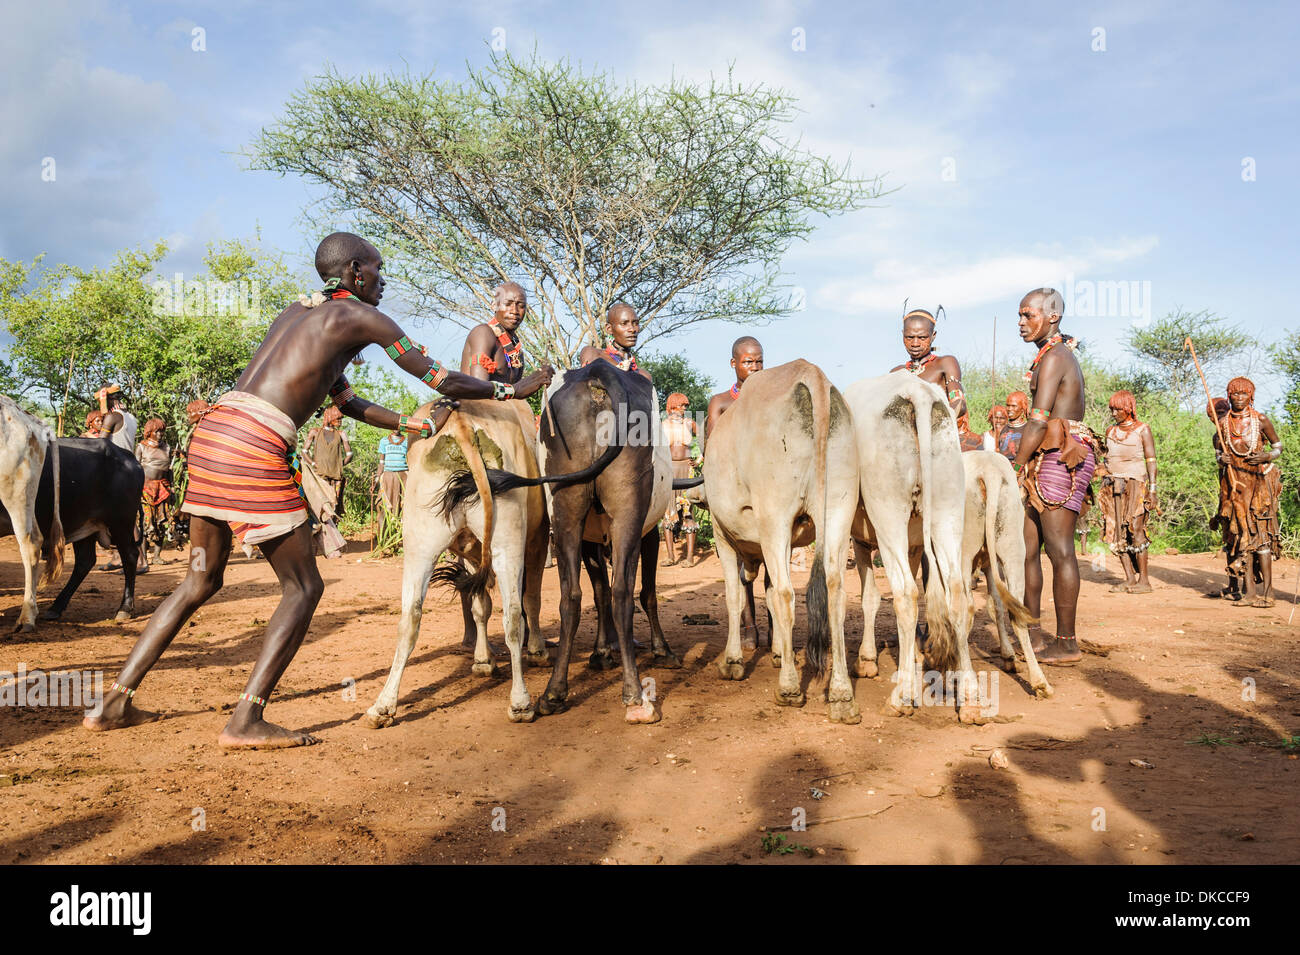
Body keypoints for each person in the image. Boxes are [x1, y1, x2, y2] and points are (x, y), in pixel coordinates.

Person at [84, 231, 554, 748]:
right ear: (355, 271)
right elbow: (441, 378)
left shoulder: (298, 313)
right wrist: (513, 389)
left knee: (198, 581)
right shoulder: (365, 317)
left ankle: (114, 701)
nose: (382, 280)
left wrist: (411, 426)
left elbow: (347, 401)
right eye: (377, 270)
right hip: (256, 442)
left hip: (216, 432)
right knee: (304, 588)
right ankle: (246, 720)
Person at [1011, 288, 1097, 665]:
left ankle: (1067, 642)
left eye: (1029, 315)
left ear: (1053, 316)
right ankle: (1031, 633)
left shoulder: (1056, 357)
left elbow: (1037, 420)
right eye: (1020, 315)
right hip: (1045, 456)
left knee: (1059, 549)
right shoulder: (1052, 355)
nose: (1022, 323)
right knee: (1028, 549)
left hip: (1062, 454)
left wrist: (1014, 467)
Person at [1211, 377, 1282, 608]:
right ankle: (1249, 593)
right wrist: (1222, 459)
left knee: (1261, 539)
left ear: (1250, 396)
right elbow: (1218, 454)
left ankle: (1268, 594)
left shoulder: (1260, 420)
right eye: (1234, 394)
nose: (1238, 398)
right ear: (1228, 396)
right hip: (1234, 488)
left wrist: (1266, 456)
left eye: (1243, 394)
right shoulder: (1223, 424)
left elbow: (1277, 447)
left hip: (1258, 485)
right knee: (1242, 538)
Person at [890, 306, 981, 450]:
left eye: (922, 337)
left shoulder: (945, 363)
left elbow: (959, 402)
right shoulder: (896, 372)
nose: (915, 343)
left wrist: (931, 423)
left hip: (939, 443)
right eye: (909, 337)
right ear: (902, 335)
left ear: (933, 336)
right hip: (904, 446)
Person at [1098, 390, 1157, 594]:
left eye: (1117, 409)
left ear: (1128, 409)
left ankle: (1145, 581)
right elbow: (1105, 459)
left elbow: (1151, 460)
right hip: (1114, 487)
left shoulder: (1143, 430)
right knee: (1116, 531)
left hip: (1136, 485)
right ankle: (1130, 578)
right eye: (1111, 409)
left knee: (1135, 529)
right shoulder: (1109, 431)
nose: (1113, 413)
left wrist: (1153, 489)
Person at [661, 393, 700, 566]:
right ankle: (671, 556)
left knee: (688, 511)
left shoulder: (690, 424)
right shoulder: (662, 425)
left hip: (687, 470)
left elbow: (706, 441)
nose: (685, 409)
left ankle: (690, 557)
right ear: (673, 406)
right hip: (668, 470)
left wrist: (698, 460)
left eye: (685, 406)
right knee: (668, 513)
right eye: (682, 405)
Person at [706, 336, 764, 439]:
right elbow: (712, 447)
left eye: (759, 362)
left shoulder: (770, 397)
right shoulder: (720, 402)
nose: (755, 368)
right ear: (733, 363)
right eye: (748, 362)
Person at [135, 418, 176, 565]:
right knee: (147, 522)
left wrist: (171, 488)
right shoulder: (141, 447)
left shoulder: (166, 447)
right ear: (149, 432)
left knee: (161, 522)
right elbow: (135, 469)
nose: (160, 434)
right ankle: (144, 557)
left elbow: (169, 470)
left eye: (162, 431)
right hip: (145, 489)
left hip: (162, 488)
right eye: (157, 431)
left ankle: (157, 556)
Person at [579, 303, 653, 382]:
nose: (632, 329)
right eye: (624, 324)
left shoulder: (643, 376)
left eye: (635, 323)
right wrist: (621, 370)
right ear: (609, 329)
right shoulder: (593, 354)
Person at [304, 406, 352, 516]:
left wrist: (339, 465)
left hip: (336, 479)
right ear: (330, 417)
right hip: (320, 477)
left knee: (334, 509)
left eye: (341, 419)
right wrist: (313, 463)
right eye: (338, 418)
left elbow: (350, 454)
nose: (340, 421)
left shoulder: (341, 434)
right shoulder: (315, 432)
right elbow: (304, 451)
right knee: (319, 507)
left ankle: (334, 531)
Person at [375, 428, 408, 537]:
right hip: (388, 477)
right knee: (386, 506)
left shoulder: (407, 442)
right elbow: (381, 462)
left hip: (403, 476)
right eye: (393, 425)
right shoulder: (384, 441)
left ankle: (400, 536)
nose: (396, 428)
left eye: (399, 426)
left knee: (403, 505)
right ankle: (384, 535)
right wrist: (376, 480)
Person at [97, 385, 138, 453]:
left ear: (106, 398)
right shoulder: (131, 417)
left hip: (115, 461)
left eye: (100, 401)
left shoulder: (112, 416)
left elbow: (100, 444)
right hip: (129, 460)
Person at [998, 390, 1030, 462]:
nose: (1009, 409)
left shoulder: (1028, 429)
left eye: (1014, 406)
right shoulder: (1004, 428)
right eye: (1008, 405)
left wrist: (1017, 470)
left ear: (1023, 408)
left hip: (1019, 470)